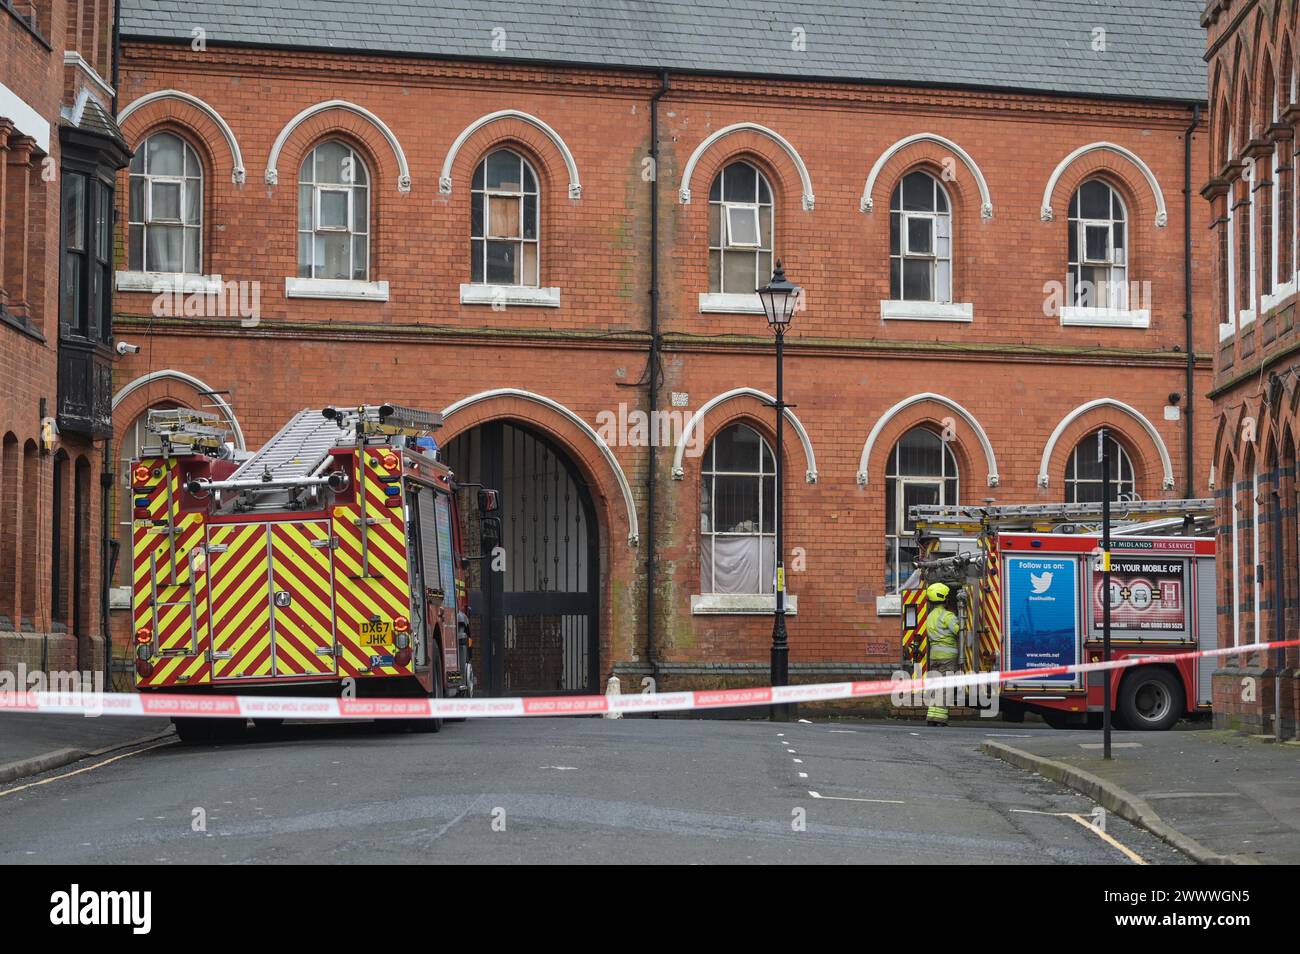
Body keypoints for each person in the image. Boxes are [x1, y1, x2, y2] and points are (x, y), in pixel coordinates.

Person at [922, 582, 960, 726]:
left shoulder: (930, 616)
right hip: (947, 658)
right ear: (945, 599)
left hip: (934, 657)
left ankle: (931, 717)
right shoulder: (947, 616)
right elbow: (959, 631)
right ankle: (940, 719)